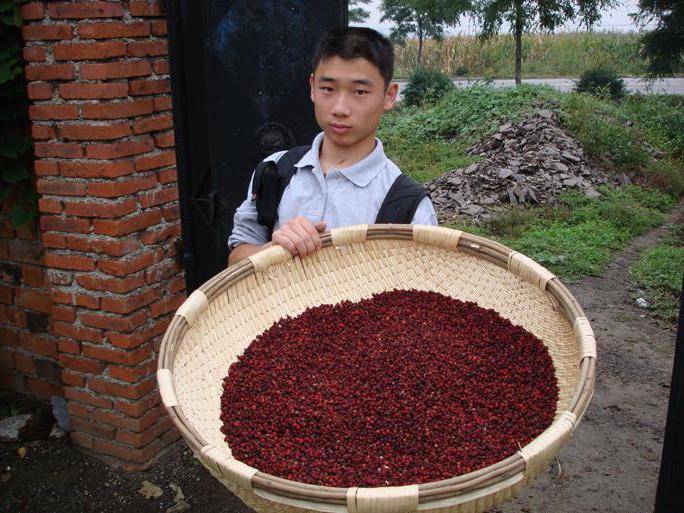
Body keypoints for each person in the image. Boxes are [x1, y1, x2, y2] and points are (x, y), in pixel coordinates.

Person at [227, 27, 437, 266]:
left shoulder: (408, 207)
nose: (340, 108)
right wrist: (271, 250)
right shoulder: (274, 170)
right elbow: (235, 260)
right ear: (312, 87)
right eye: (328, 88)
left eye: (359, 91)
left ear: (389, 95)